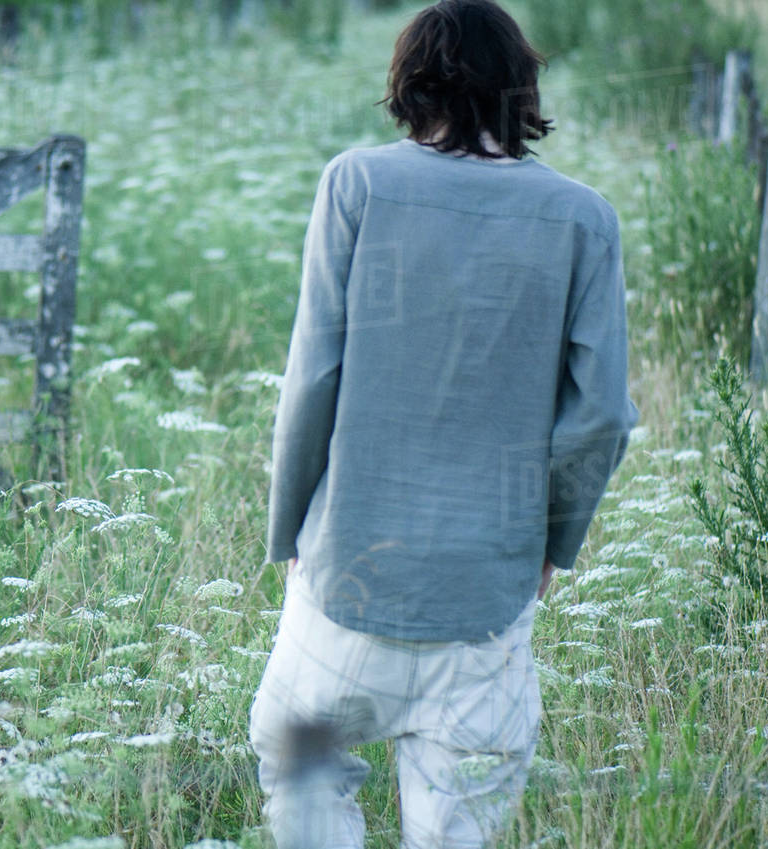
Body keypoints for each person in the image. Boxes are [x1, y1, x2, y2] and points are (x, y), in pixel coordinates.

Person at [248, 0, 640, 846]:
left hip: (345, 584)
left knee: (300, 767)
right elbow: (602, 415)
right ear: (521, 88)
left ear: (409, 85)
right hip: (487, 606)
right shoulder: (584, 219)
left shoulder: (356, 183)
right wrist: (552, 545)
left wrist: (290, 533)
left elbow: (312, 376)